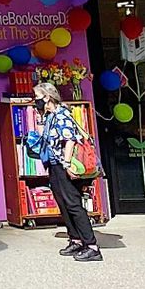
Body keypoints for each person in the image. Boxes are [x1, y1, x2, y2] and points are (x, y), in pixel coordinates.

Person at [32, 82, 101, 263]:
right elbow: (43, 137)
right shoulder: (50, 116)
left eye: (37, 97)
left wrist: (67, 163)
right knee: (62, 203)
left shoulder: (62, 114)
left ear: (47, 97)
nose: (35, 101)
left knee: (73, 203)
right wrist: (40, 116)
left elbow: (69, 140)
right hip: (53, 164)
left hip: (64, 164)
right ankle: (75, 239)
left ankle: (92, 245)